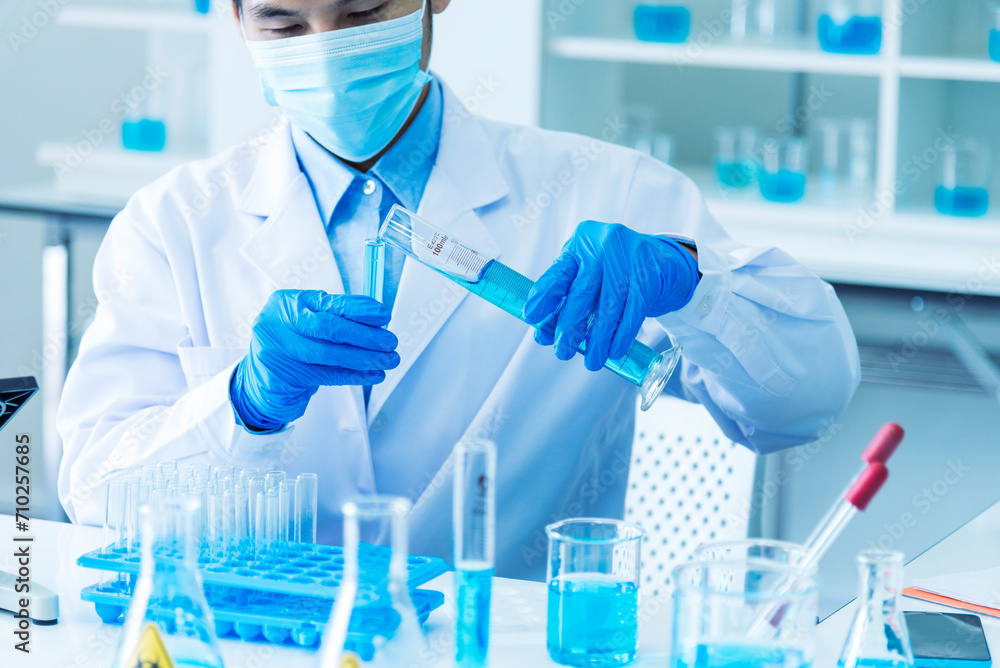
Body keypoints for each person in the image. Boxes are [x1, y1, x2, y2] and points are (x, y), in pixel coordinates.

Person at [57, 0, 860, 579]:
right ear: (234, 19)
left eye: (364, 12)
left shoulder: (605, 191)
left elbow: (806, 402)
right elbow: (93, 494)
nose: (327, 52)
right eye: (282, 25)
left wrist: (694, 286)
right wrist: (244, 405)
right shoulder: (175, 223)